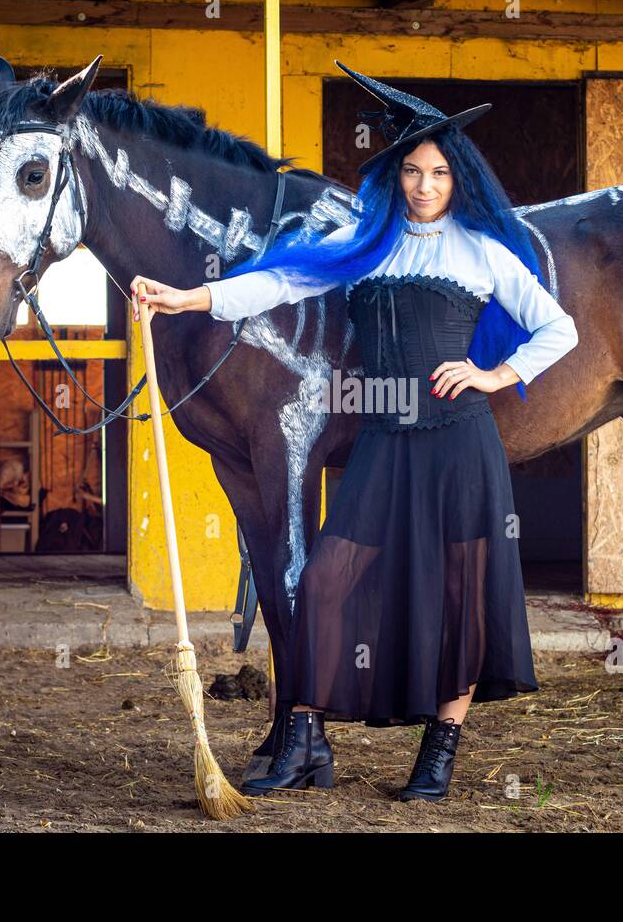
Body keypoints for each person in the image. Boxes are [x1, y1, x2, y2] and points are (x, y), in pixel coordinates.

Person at [135, 61, 578, 803]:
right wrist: (190, 298)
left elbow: (557, 327)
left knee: (462, 602)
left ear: (456, 179)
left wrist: (494, 376)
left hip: (460, 443)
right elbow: (279, 280)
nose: (425, 186)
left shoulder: (484, 252)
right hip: (383, 444)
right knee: (326, 585)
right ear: (396, 176)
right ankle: (304, 734)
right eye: (413, 171)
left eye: (438, 173)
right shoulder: (365, 243)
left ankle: (437, 756)